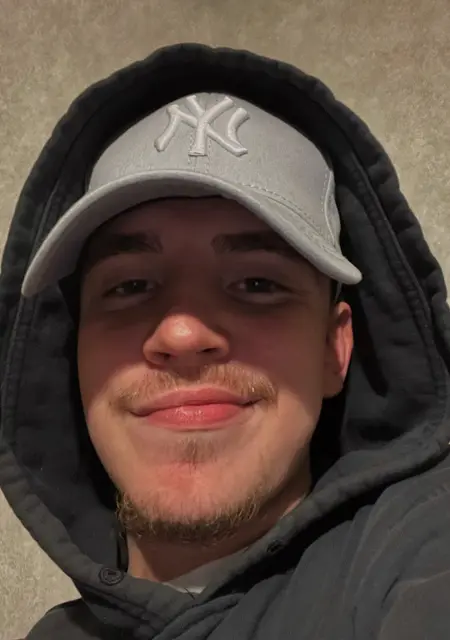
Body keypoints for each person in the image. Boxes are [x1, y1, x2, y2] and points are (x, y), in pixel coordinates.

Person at [1, 43, 450, 640]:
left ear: (333, 349)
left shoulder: (421, 550)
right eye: (130, 286)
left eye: (258, 284)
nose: (182, 333)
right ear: (74, 354)